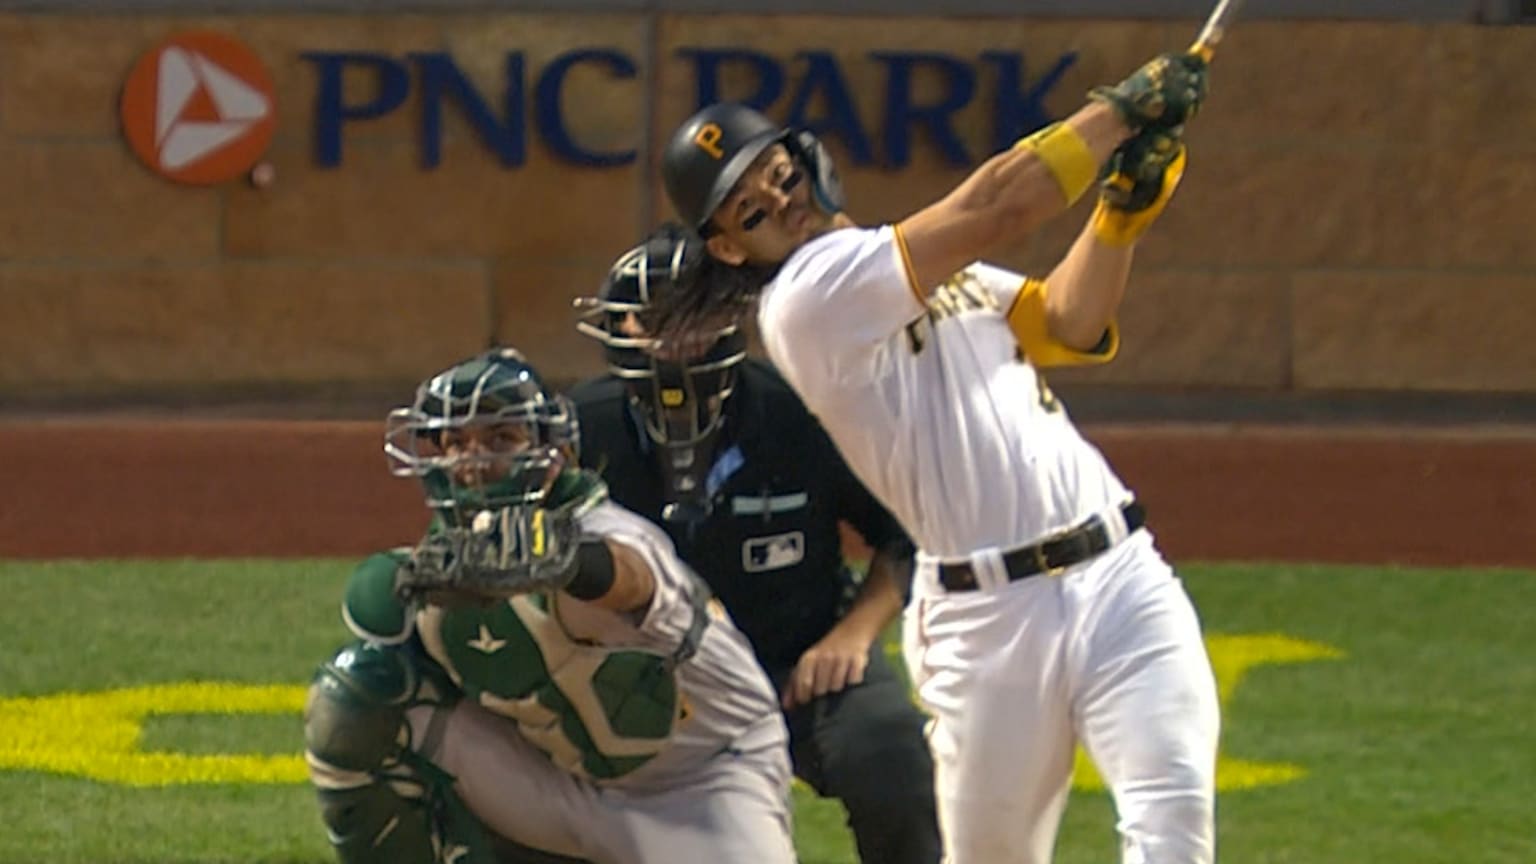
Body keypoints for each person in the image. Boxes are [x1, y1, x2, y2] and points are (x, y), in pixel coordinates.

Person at [647, 51, 1222, 864]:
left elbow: (1065, 320)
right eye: (749, 210)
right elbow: (997, 204)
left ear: (808, 158)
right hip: (986, 624)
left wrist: (1118, 218)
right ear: (731, 249)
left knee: (1173, 829)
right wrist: (1120, 111)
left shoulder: (904, 265)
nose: (779, 199)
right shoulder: (810, 298)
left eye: (777, 174)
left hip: (1120, 576)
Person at [301, 347, 797, 864]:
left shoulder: (606, 533)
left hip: (705, 781)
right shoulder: (439, 571)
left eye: (500, 438)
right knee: (355, 695)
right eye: (455, 442)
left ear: (553, 453)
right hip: (562, 787)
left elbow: (633, 581)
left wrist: (564, 564)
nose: (474, 460)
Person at [568, 224, 943, 864]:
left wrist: (853, 633)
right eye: (654, 318)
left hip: (797, 662)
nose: (675, 336)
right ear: (619, 326)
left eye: (694, 312)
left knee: (887, 742)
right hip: (643, 676)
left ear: (730, 316)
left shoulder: (801, 410)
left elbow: (906, 535)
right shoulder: (579, 427)